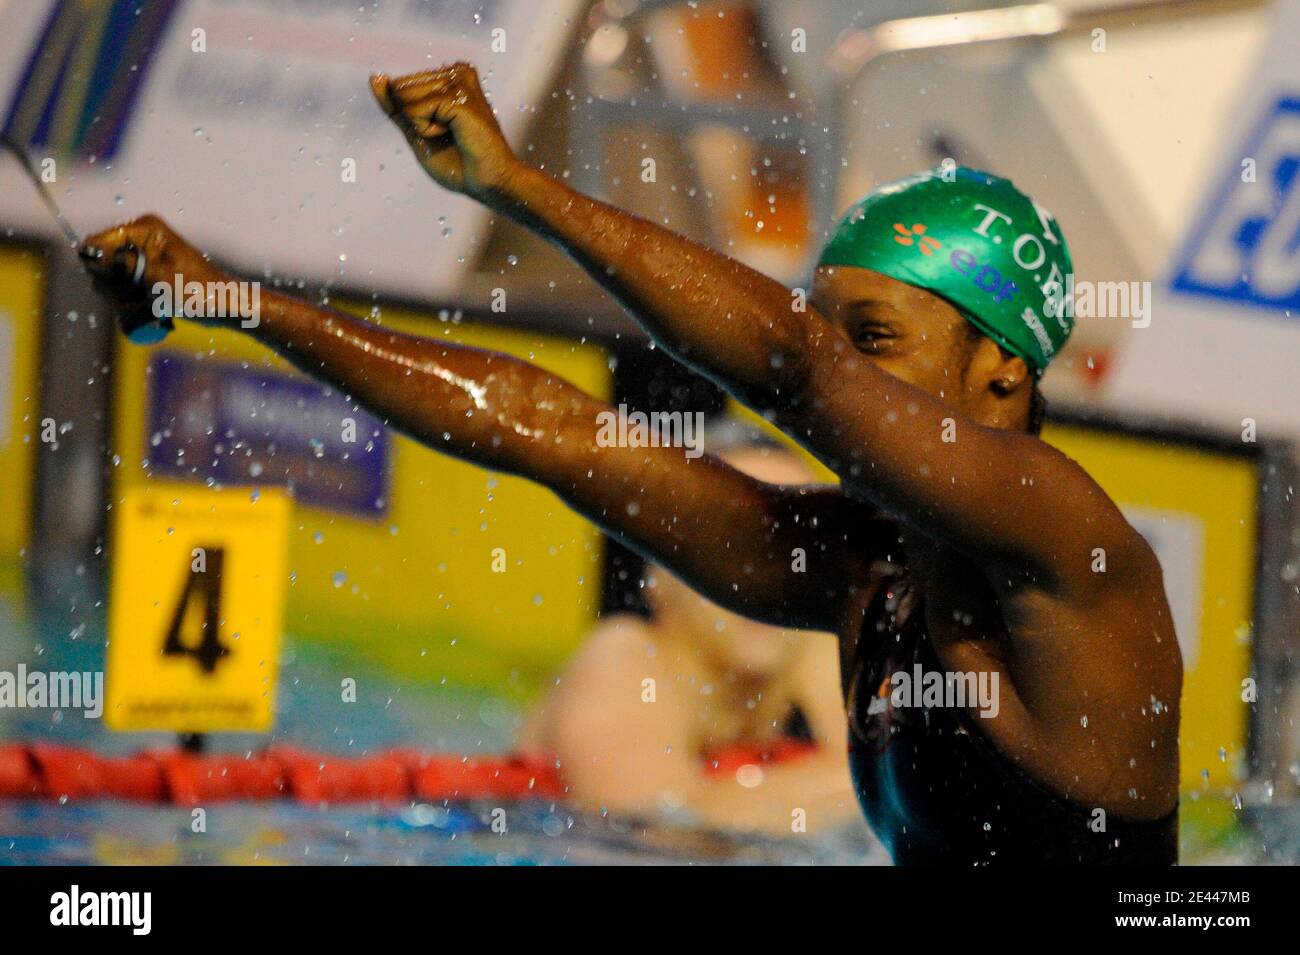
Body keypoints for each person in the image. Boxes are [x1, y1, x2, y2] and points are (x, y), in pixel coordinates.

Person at [83, 63, 1181, 864]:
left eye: (876, 343)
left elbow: (794, 371)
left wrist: (521, 188)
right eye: (834, 333)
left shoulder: (1067, 540)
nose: (846, 376)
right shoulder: (864, 579)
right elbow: (542, 425)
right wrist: (229, 300)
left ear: (999, 374)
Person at [517, 429, 859, 836]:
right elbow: (653, 828)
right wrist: (851, 789)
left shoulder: (812, 649)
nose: (771, 571)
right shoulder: (622, 660)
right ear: (659, 573)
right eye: (736, 539)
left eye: (801, 540)